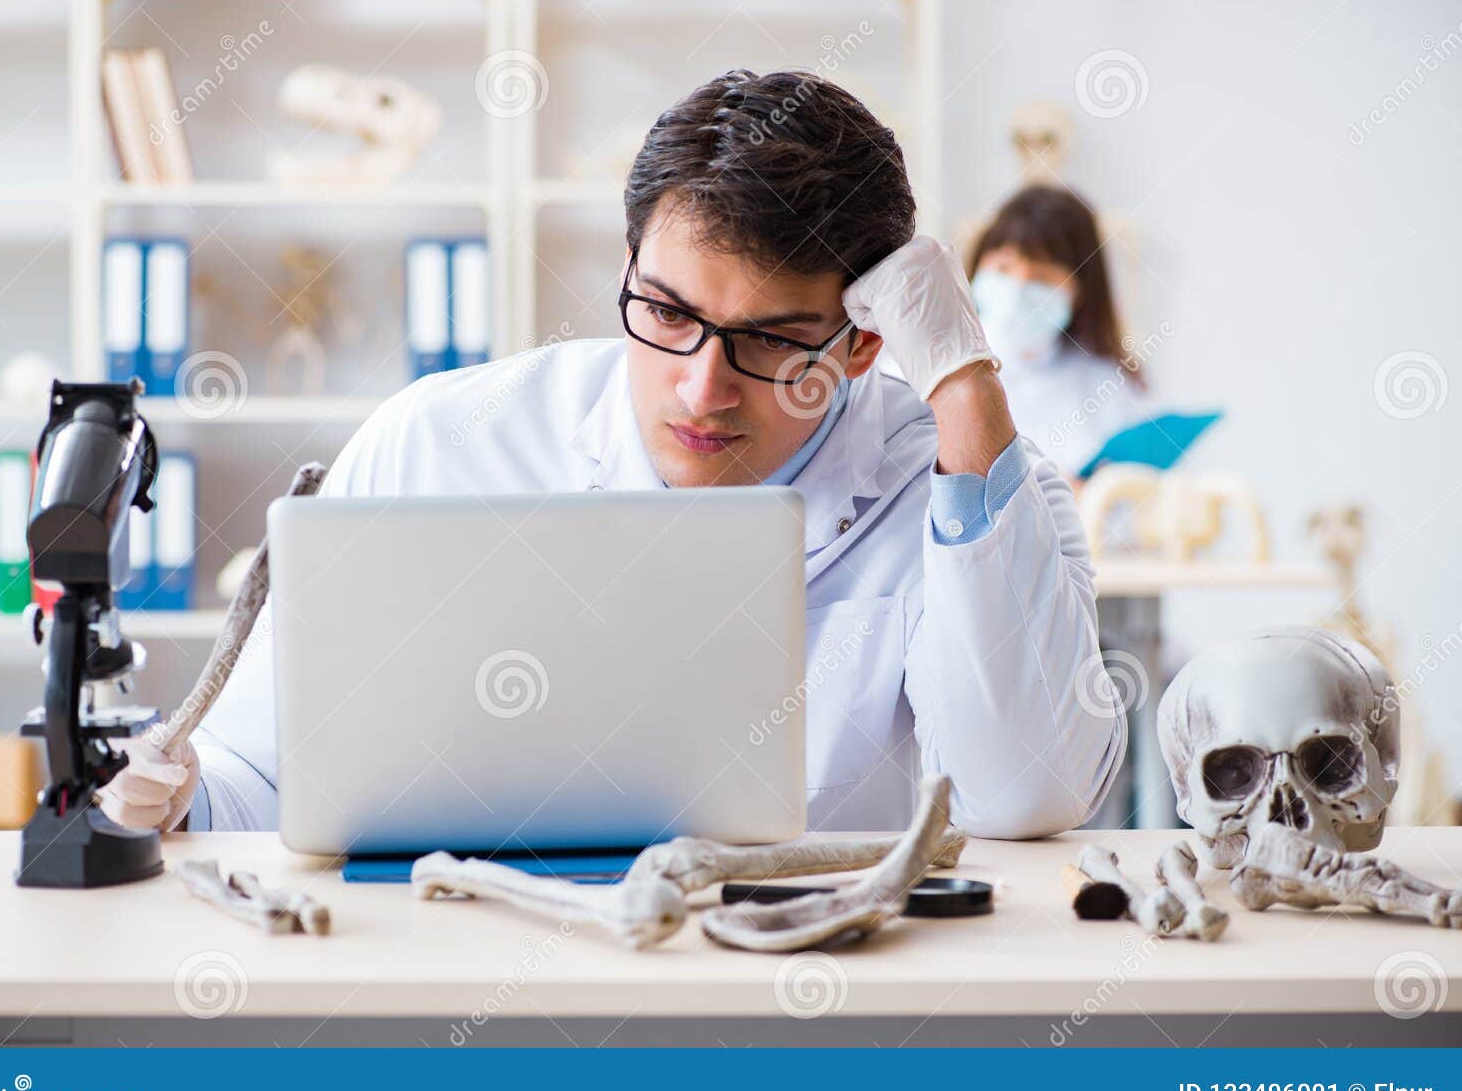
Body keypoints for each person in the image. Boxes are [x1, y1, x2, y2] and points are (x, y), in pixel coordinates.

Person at [101, 70, 1126, 840]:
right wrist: (182, 798)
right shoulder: (442, 442)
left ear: (861, 340)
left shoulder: (980, 489)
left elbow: (1024, 795)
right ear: (628, 266)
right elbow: (266, 778)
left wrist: (961, 377)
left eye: (770, 339)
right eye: (667, 312)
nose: (702, 386)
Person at [967, 185, 1152, 479]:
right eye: (1003, 268)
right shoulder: (928, 369)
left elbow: (1136, 498)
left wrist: (1088, 495)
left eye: (1040, 277)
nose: (1017, 289)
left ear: (1081, 289)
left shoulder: (1109, 384)